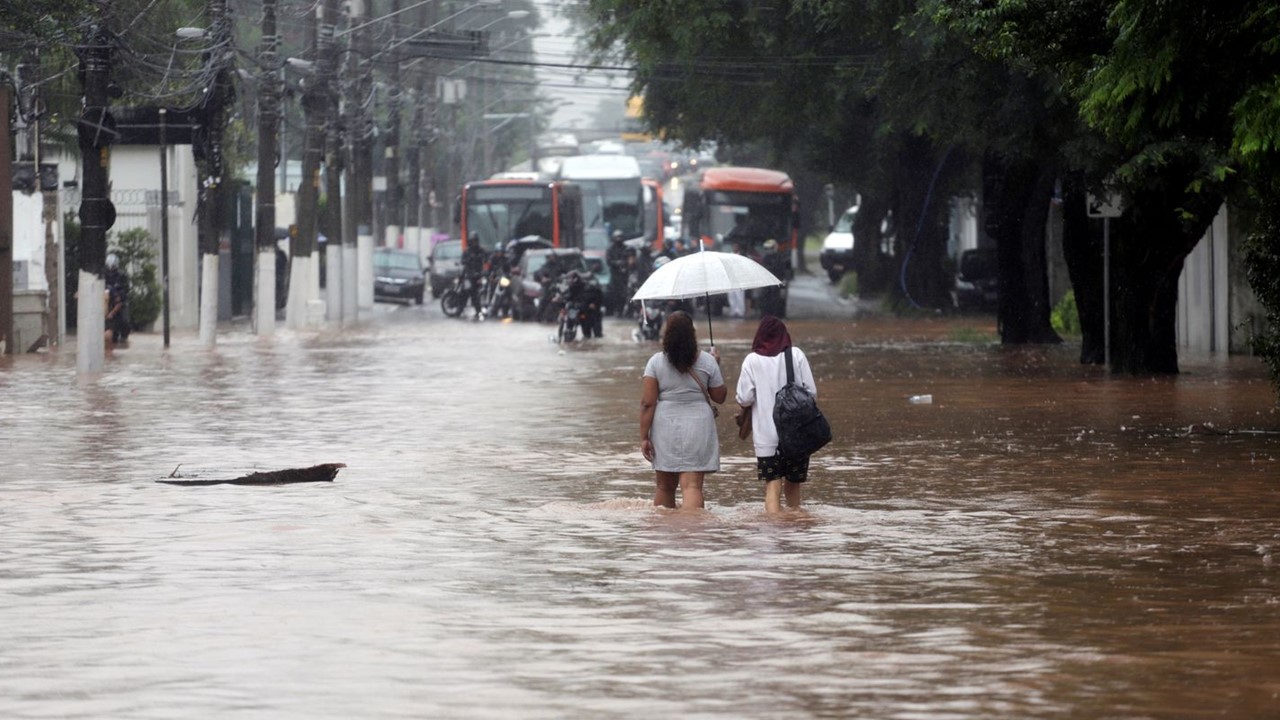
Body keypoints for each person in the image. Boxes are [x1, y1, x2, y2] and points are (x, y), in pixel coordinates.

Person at [640, 311, 725, 510]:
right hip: (698, 424)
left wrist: (644, 437)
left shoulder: (655, 362)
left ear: (666, 334)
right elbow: (720, 397)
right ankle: (693, 534)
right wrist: (717, 365)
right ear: (692, 333)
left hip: (665, 425)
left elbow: (647, 403)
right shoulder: (707, 361)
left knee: (664, 487)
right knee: (692, 486)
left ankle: (664, 535)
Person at [735, 315, 816, 513]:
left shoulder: (751, 361)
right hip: (796, 434)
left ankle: (774, 533)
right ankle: (793, 531)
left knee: (772, 485)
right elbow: (812, 393)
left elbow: (744, 398)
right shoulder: (796, 355)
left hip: (766, 437)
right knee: (793, 485)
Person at [104, 253, 130, 346]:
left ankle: (124, 336)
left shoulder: (122, 275)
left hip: (120, 300)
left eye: (113, 266)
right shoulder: (103, 274)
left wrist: (119, 296)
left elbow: (126, 289)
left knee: (125, 319)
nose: (111, 269)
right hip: (107, 300)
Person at [461, 233, 488, 319]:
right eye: (473, 241)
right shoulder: (467, 251)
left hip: (478, 275)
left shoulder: (481, 251)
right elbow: (462, 261)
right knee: (466, 291)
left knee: (476, 293)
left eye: (475, 241)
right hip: (469, 275)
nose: (474, 243)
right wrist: (468, 260)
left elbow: (487, 259)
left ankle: (479, 310)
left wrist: (484, 271)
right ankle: (461, 308)